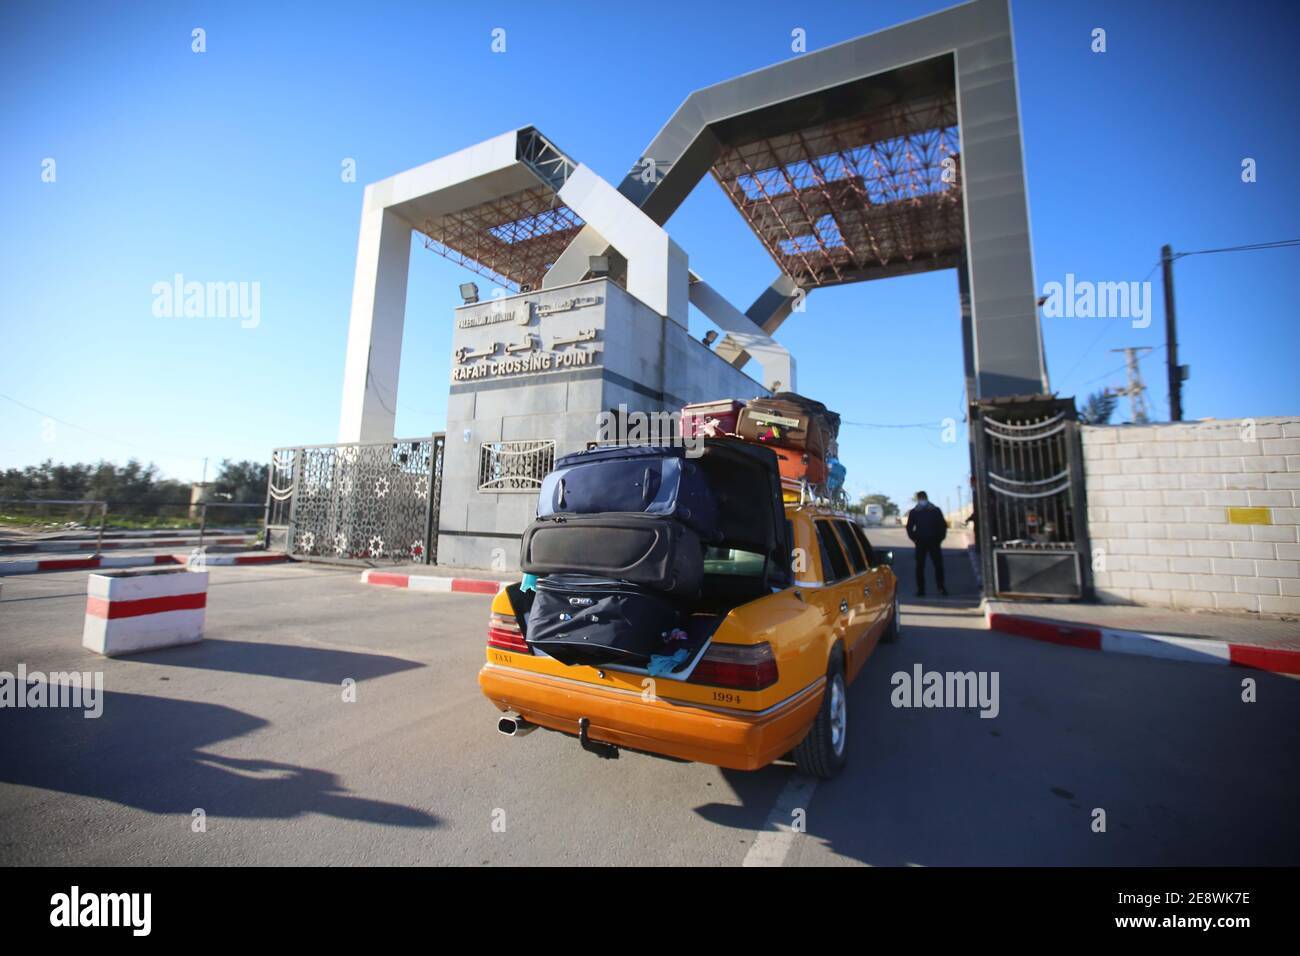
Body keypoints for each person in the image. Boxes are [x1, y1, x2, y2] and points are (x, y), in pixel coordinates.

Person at [906, 491, 947, 597]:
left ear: (926, 498)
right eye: (921, 498)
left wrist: (940, 538)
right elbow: (909, 527)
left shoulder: (935, 510)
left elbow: (942, 525)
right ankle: (921, 590)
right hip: (920, 543)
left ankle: (941, 587)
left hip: (934, 542)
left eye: (923, 498)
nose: (922, 500)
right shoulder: (914, 512)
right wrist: (915, 538)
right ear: (918, 499)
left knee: (938, 566)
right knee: (920, 567)